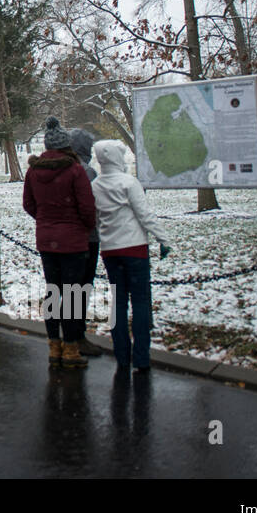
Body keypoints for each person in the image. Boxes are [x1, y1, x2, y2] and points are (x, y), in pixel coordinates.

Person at [91, 140, 172, 373]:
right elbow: (144, 214)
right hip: (135, 247)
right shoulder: (129, 182)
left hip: (110, 250)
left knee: (118, 302)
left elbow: (95, 219)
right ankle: (142, 357)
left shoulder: (95, 185)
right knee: (140, 302)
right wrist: (163, 239)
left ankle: (122, 356)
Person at [22, 117, 97, 369]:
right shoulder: (75, 170)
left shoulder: (34, 170)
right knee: (73, 294)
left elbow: (28, 204)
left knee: (53, 292)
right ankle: (71, 349)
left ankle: (54, 345)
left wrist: (45, 220)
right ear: (67, 146)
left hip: (46, 239)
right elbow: (87, 207)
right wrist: (81, 226)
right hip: (73, 241)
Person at [67, 127, 103, 359]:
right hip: (85, 238)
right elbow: (91, 206)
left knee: (62, 288)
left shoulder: (57, 168)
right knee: (80, 288)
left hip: (58, 237)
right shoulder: (86, 172)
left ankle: (61, 338)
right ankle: (76, 337)